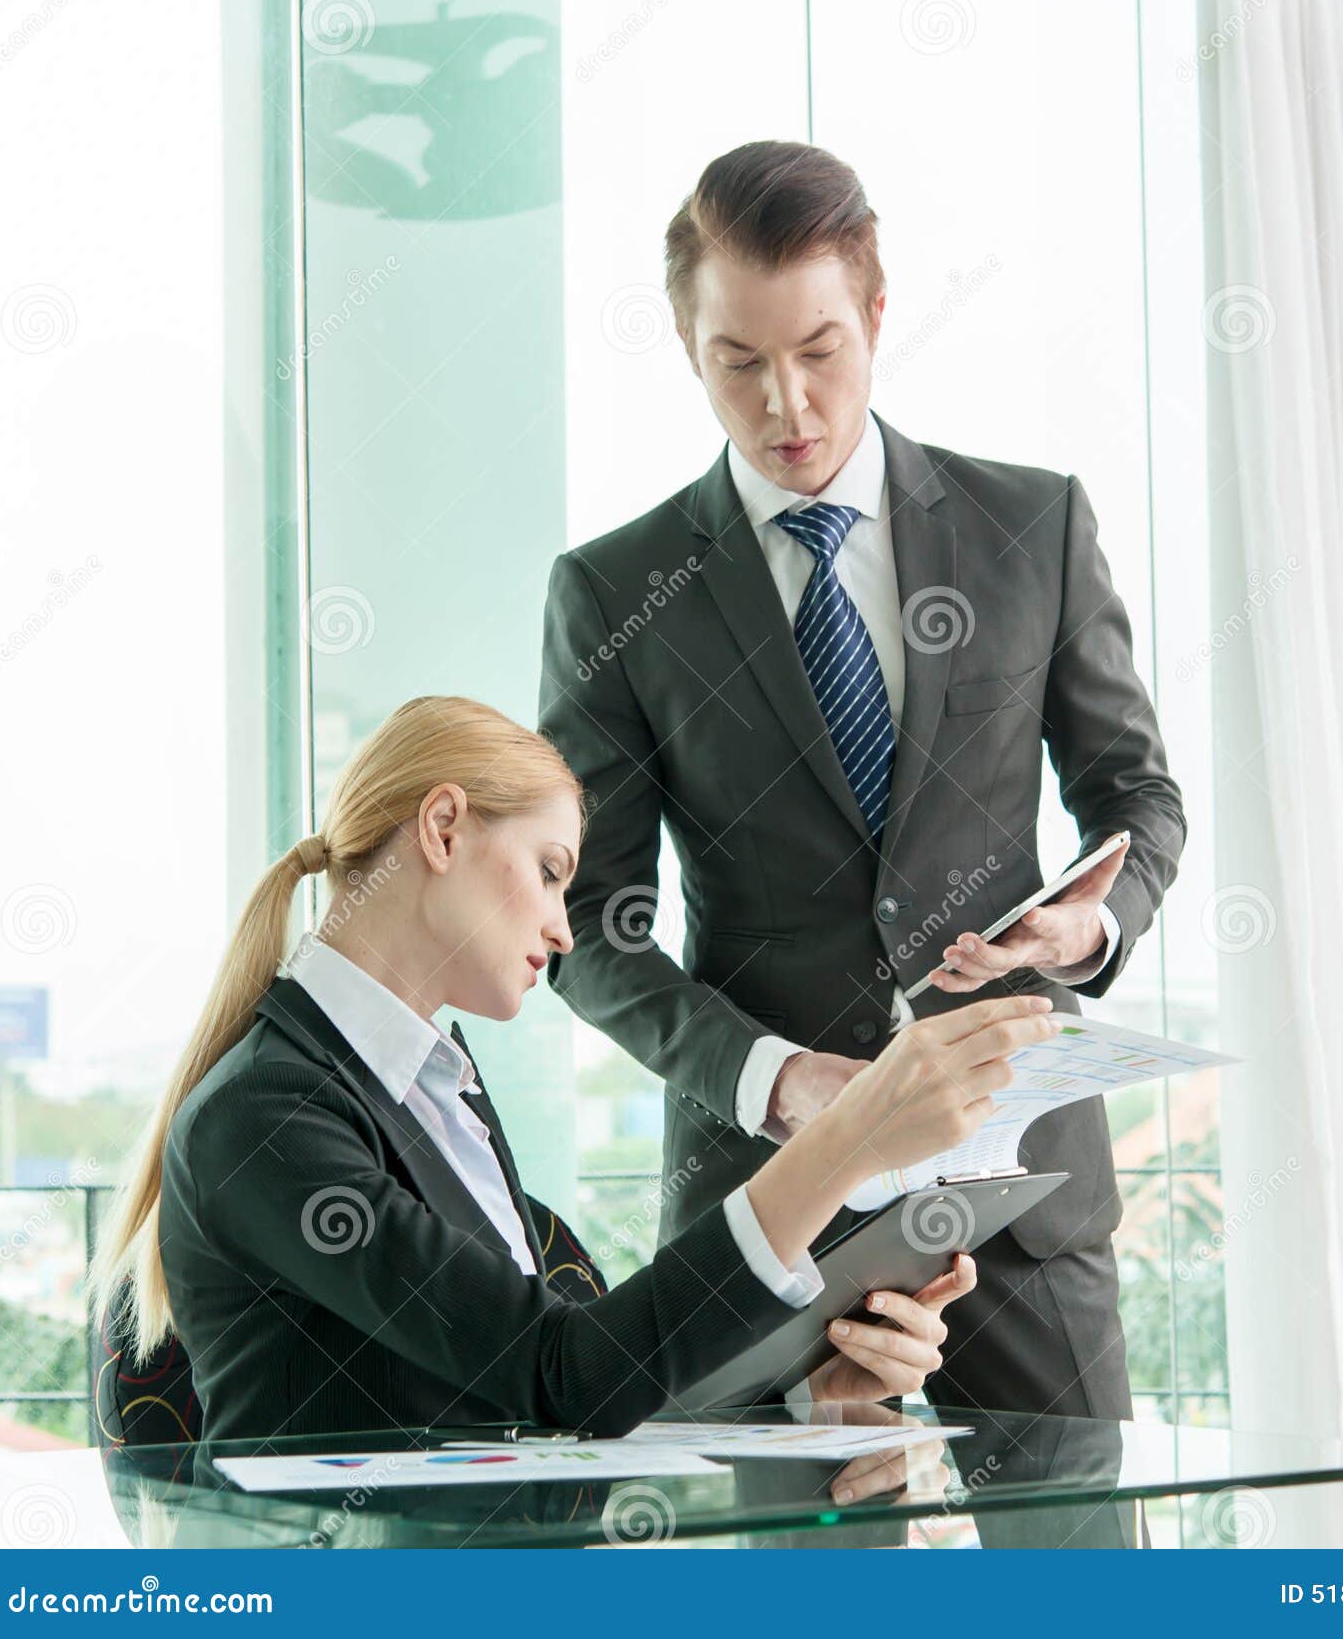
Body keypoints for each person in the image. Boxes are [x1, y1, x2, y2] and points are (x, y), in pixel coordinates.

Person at [538, 140, 1186, 1426]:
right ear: (688, 347)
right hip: (777, 1207)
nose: (787, 403)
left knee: (1082, 1585)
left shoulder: (1031, 525)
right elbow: (589, 930)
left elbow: (1137, 795)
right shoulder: (616, 593)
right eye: (740, 361)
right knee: (799, 1590)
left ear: (878, 316)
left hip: (1021, 1188)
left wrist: (1087, 924)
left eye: (819, 349)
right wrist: (780, 1083)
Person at [88, 695, 1063, 1445]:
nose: (563, 927)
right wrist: (845, 1143)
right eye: (551, 868)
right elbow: (560, 1376)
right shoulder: (266, 1115)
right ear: (441, 829)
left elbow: (569, 1394)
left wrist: (812, 1394)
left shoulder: (436, 1090)